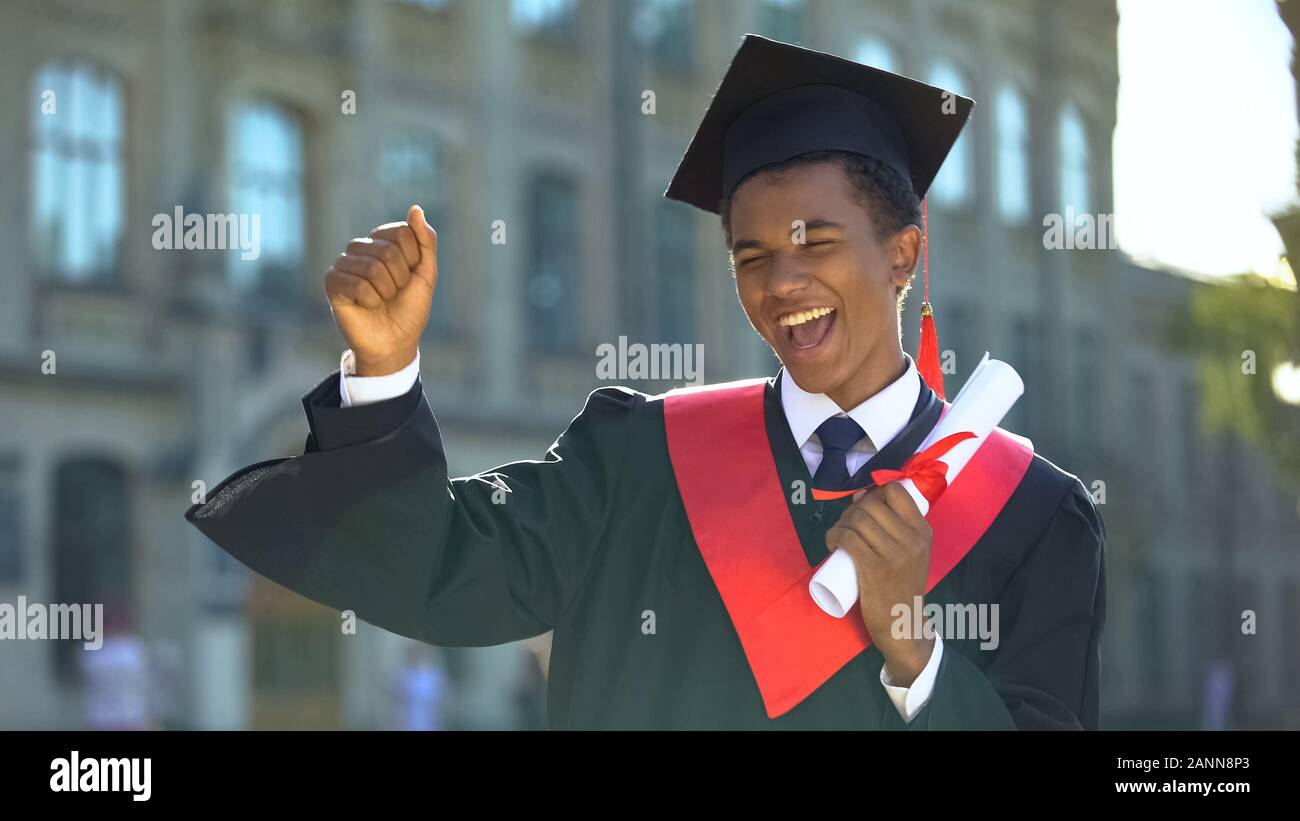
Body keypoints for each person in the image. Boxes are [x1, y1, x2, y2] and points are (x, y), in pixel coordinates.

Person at [186, 35, 1106, 729]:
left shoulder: (1030, 514)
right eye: (750, 256)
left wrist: (915, 646)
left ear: (902, 253)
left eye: (815, 243)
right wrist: (385, 370)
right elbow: (441, 567)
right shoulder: (640, 462)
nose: (781, 284)